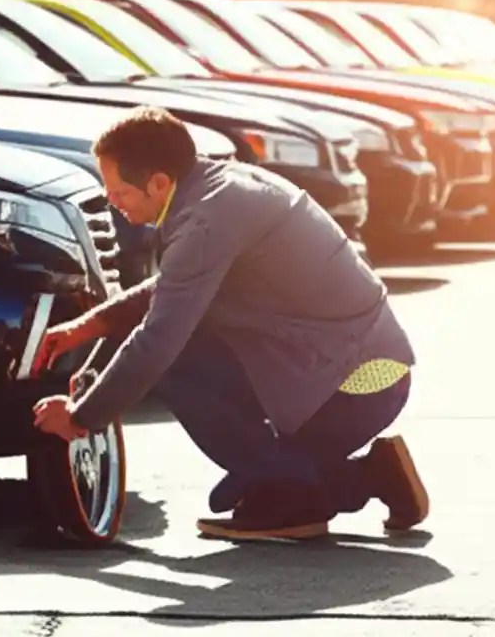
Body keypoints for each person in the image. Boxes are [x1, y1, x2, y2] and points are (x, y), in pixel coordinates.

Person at [31, 106, 428, 541]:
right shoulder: (222, 188)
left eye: (120, 192)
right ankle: (358, 477)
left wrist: (82, 418)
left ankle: (337, 488)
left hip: (358, 387)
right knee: (247, 494)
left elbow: (159, 339)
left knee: (177, 363)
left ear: (159, 182)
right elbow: (173, 288)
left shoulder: (206, 221)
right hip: (348, 367)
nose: (114, 204)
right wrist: (87, 326)